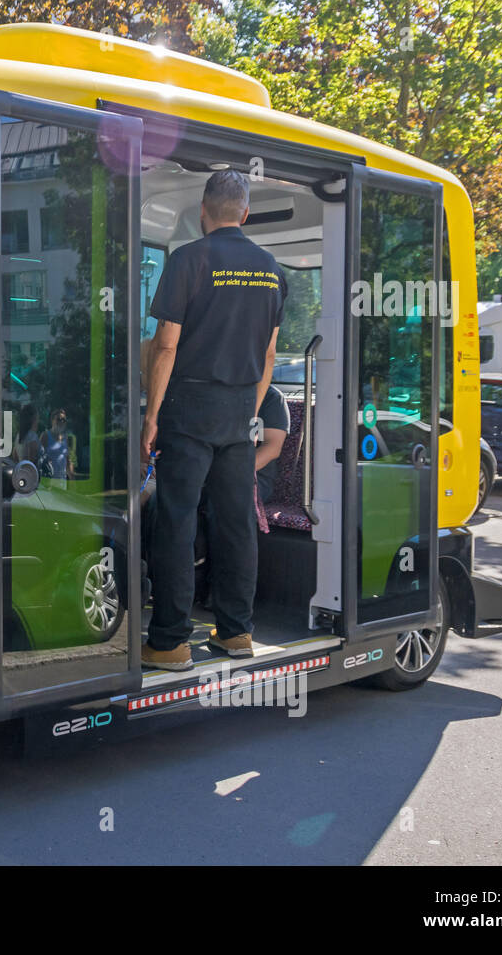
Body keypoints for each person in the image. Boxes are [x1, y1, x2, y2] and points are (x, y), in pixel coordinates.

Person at [141, 169, 287, 671]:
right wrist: (249, 408)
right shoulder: (271, 269)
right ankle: (236, 632)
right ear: (244, 214)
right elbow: (268, 354)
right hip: (240, 412)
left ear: (205, 211)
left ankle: (169, 642)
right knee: (236, 524)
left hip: (190, 409)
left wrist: (152, 415)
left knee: (176, 522)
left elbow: (166, 345)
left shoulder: (188, 260)